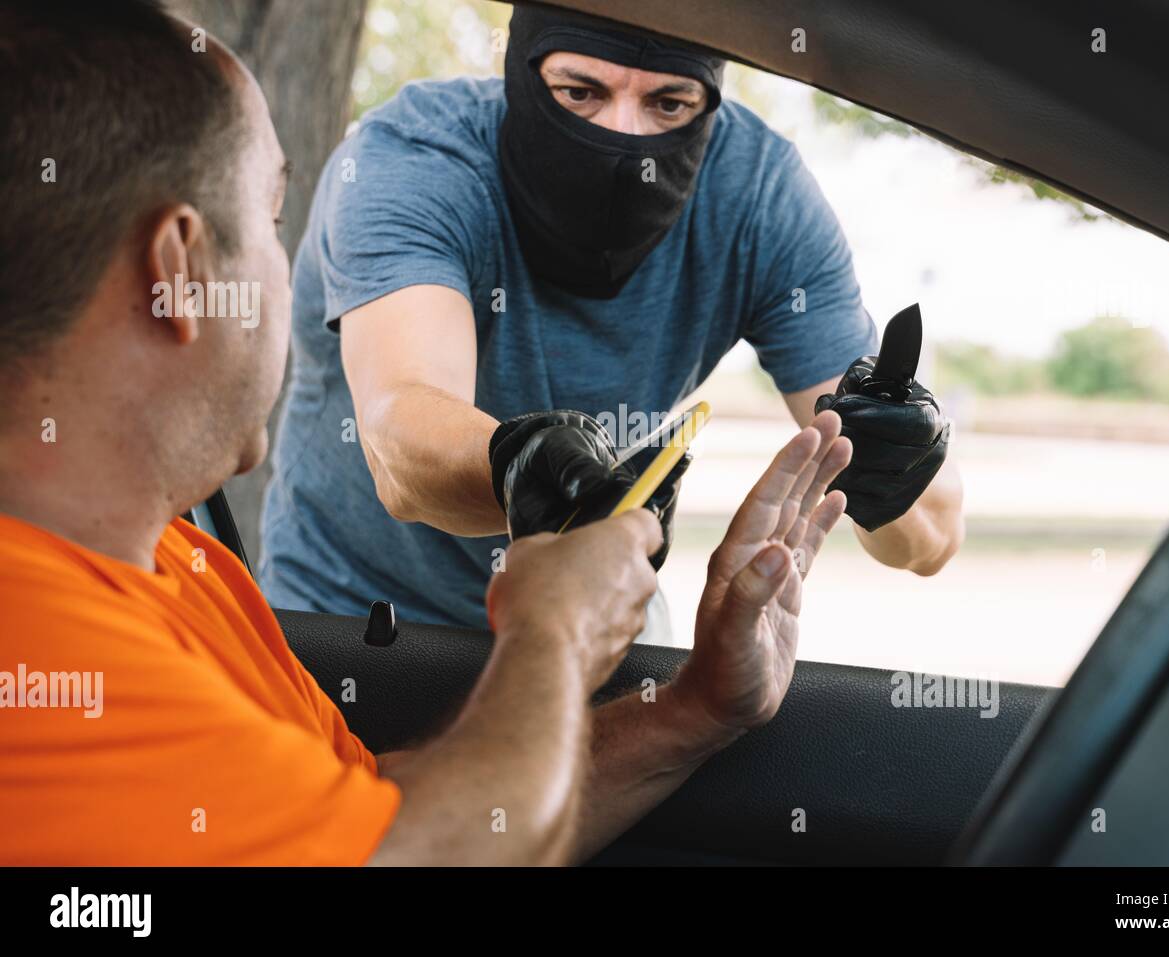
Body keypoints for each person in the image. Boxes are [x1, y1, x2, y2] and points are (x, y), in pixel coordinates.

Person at [0, 0, 851, 865]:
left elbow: (376, 815)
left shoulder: (182, 571)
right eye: (273, 218)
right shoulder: (36, 641)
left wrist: (698, 705)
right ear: (178, 273)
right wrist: (550, 637)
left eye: (667, 103)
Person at [259, 4, 964, 631]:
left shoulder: (758, 198)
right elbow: (399, 442)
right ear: (521, 71)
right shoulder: (416, 160)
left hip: (585, 617)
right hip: (350, 619)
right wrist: (526, 471)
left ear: (709, 102)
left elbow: (933, 537)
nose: (625, 137)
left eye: (669, 104)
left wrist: (894, 466)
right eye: (580, 91)